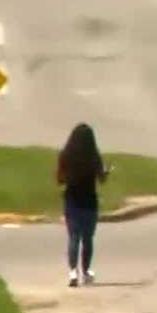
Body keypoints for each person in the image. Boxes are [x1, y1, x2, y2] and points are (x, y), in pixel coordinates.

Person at [57, 123, 109, 287]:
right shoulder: (94, 157)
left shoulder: (66, 156)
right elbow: (102, 179)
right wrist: (106, 172)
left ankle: (73, 272)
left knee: (74, 237)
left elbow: (59, 179)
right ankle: (86, 271)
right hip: (89, 201)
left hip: (72, 201)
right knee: (87, 238)